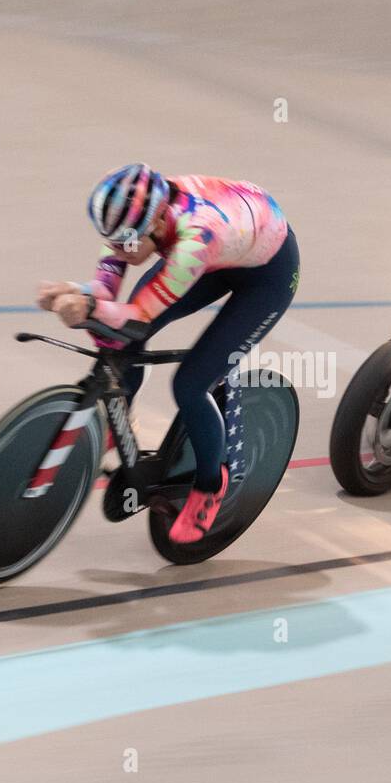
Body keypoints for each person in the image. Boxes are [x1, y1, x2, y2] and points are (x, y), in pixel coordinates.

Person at [38, 164, 298, 542]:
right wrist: (81, 291)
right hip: (228, 247)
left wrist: (87, 307)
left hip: (266, 277)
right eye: (111, 240)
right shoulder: (129, 221)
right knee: (123, 339)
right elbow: (106, 284)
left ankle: (210, 487)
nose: (118, 250)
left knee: (191, 385)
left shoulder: (195, 238)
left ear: (158, 223)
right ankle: (121, 417)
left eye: (126, 242)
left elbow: (138, 316)